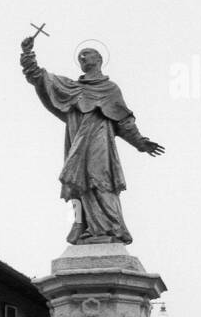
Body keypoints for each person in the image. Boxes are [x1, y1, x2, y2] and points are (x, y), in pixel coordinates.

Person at [20, 38, 164, 244]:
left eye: (87, 53)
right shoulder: (72, 88)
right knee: (80, 183)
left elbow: (123, 120)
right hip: (77, 142)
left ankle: (111, 228)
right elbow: (39, 78)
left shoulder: (110, 89)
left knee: (99, 179)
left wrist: (140, 142)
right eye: (81, 55)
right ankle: (86, 227)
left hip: (99, 141)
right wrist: (27, 54)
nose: (82, 57)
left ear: (99, 59)